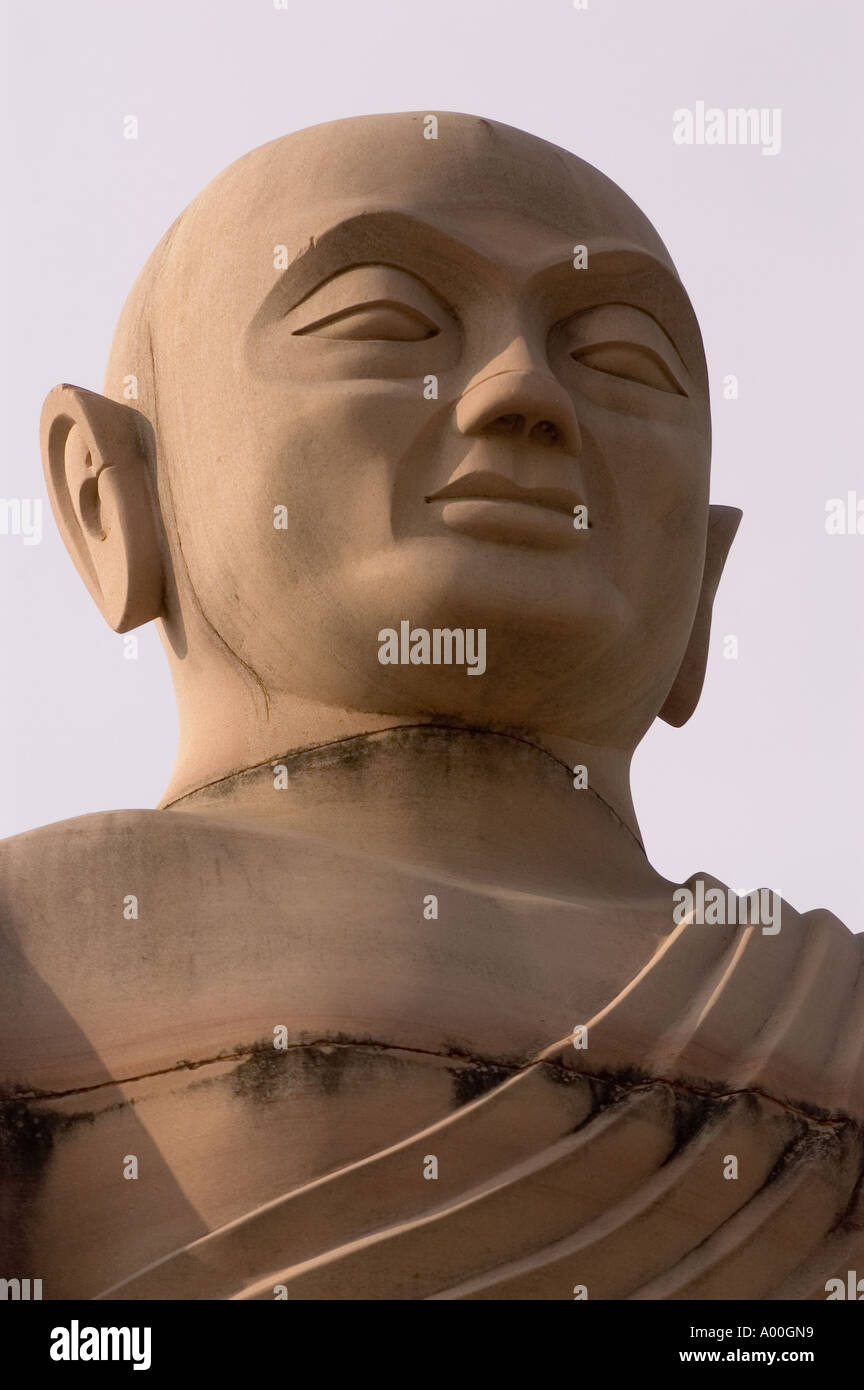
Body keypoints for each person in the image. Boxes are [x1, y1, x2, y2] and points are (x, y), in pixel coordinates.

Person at [2, 113, 861, 1300]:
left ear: (705, 570)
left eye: (618, 358)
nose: (525, 396)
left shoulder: (830, 1005)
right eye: (382, 320)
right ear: (112, 495)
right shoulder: (37, 947)